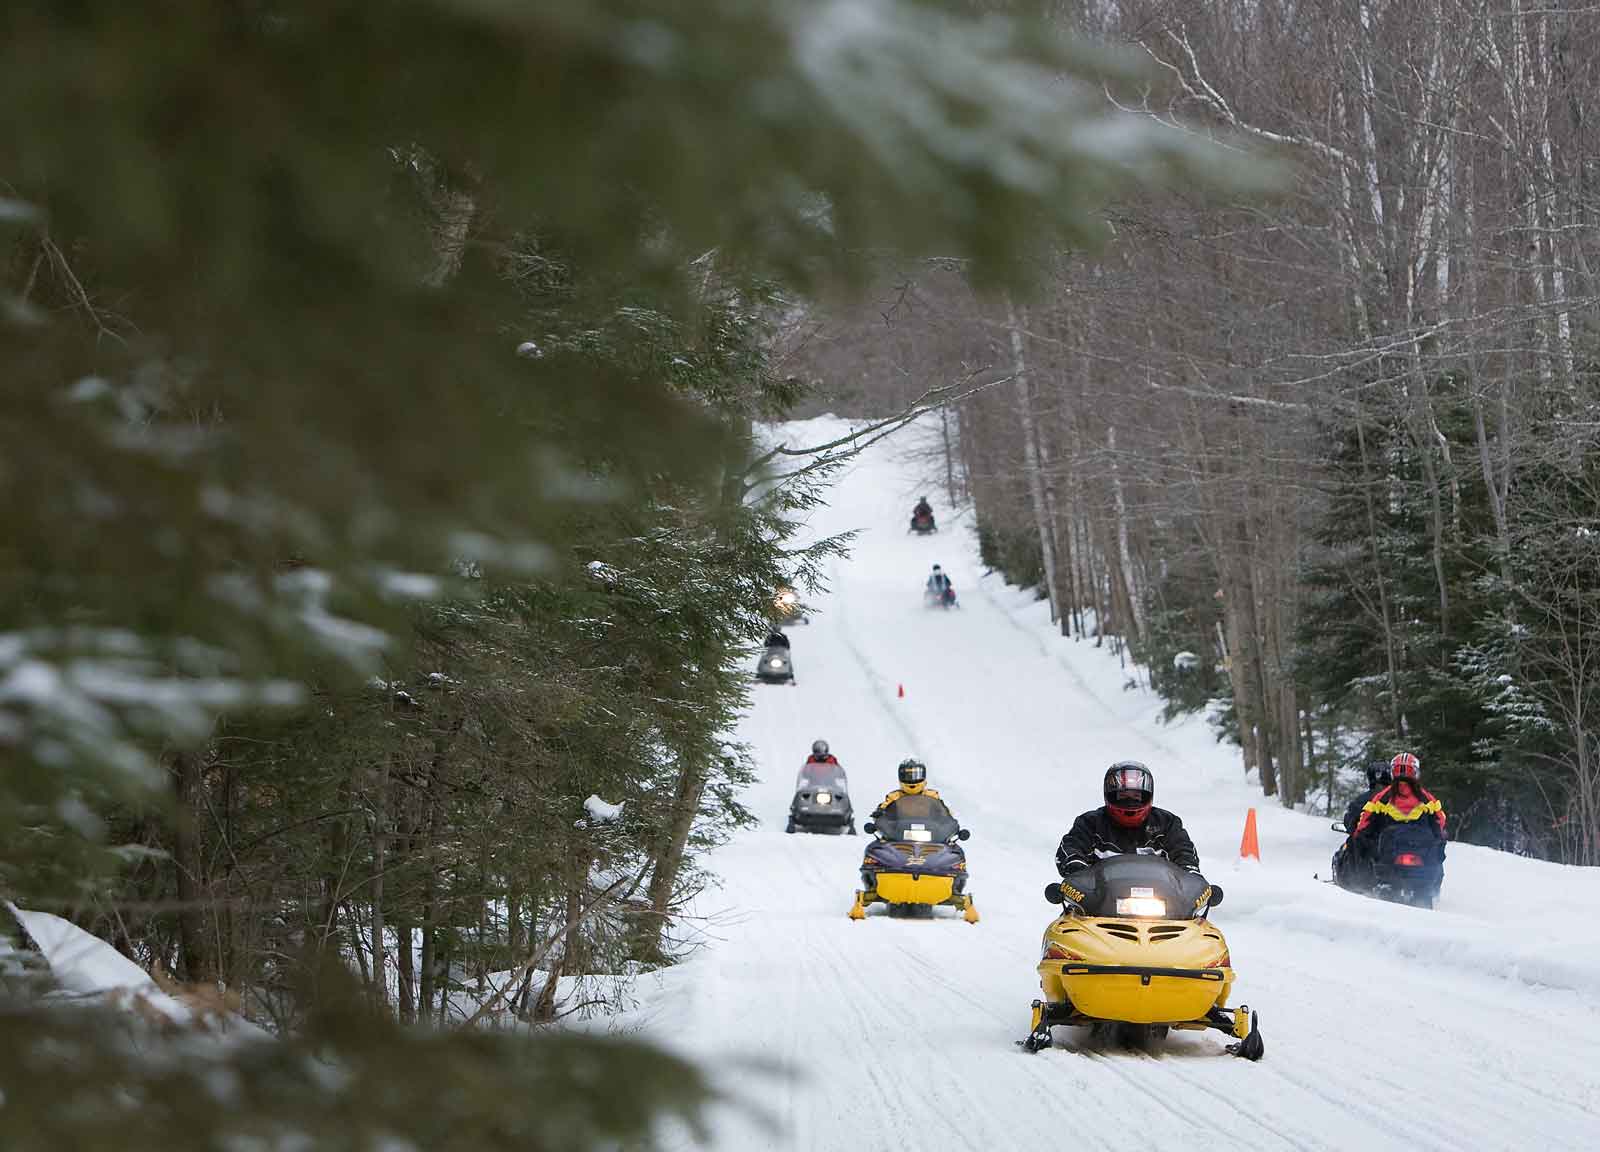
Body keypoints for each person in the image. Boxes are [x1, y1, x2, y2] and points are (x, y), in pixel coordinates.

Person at [1056, 762, 1199, 875]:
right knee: (1072, 912)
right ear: (1110, 795)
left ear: (1147, 795)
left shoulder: (1166, 823)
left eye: (1136, 796)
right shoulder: (1090, 823)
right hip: (1098, 899)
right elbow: (1072, 847)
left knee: (1193, 912)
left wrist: (1190, 872)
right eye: (1123, 796)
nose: (1130, 802)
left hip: (1162, 901)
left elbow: (1183, 851)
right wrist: (1074, 866)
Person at [1352, 752, 1445, 863]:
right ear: (1415, 772)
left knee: (1364, 844)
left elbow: (1365, 822)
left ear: (1392, 772)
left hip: (1390, 851)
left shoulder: (1382, 797)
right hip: (1422, 853)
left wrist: (1359, 837)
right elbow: (1440, 820)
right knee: (1438, 845)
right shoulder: (1427, 798)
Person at [1332, 760, 1391, 885]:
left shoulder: (1362, 800)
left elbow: (1351, 821)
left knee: (1353, 845)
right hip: (1394, 845)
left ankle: (1354, 883)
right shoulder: (1398, 798)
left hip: (1371, 845)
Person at [871, 757, 941, 815]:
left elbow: (944, 811)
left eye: (916, 775)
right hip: (899, 830)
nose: (912, 779)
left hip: (930, 829)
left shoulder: (932, 795)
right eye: (908, 776)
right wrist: (879, 812)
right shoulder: (894, 796)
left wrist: (949, 818)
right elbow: (884, 807)